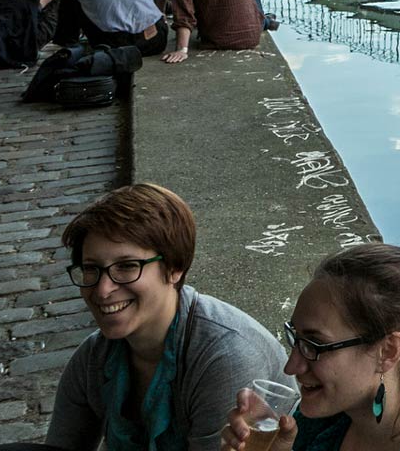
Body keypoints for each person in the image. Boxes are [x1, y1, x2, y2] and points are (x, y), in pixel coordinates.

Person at [45, 184, 285, 451]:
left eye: (127, 266)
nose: (103, 290)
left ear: (174, 268)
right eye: (91, 269)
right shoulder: (94, 358)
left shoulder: (224, 358)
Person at [222, 244, 400, 451]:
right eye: (296, 339)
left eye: (316, 345)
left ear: (388, 352)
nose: (292, 366)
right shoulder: (324, 422)